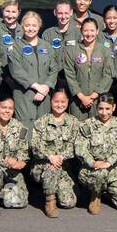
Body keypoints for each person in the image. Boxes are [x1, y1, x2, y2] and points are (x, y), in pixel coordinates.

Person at [75, 93, 117, 212]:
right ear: (96, 108)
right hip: (93, 170)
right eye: (101, 108)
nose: (104, 112)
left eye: (107, 108)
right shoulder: (87, 124)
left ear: (113, 107)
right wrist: (92, 162)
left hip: (114, 169)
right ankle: (95, 195)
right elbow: (80, 147)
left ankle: (108, 191)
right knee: (99, 175)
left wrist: (108, 162)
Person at [30, 87, 79, 218]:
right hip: (43, 165)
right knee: (51, 168)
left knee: (69, 202)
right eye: (56, 101)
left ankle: (56, 187)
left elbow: (76, 145)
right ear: (50, 101)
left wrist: (61, 157)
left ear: (68, 102)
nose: (59, 105)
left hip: (63, 167)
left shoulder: (74, 122)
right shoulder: (41, 122)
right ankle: (49, 201)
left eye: (63, 101)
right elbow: (35, 145)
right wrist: (50, 156)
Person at [7, 11, 58, 124]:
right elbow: (16, 71)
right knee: (26, 128)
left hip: (44, 95)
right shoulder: (15, 47)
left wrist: (46, 87)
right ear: (22, 26)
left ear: (39, 26)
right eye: (27, 25)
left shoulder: (47, 46)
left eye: (34, 25)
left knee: (43, 127)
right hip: (24, 95)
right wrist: (37, 87)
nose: (31, 29)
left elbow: (54, 69)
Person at [63, 18, 116, 121]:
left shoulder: (104, 50)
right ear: (81, 31)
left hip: (98, 100)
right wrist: (82, 97)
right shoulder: (72, 50)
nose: (89, 34)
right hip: (78, 100)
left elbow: (108, 74)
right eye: (86, 30)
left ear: (97, 31)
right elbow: (70, 74)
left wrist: (93, 96)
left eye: (92, 30)